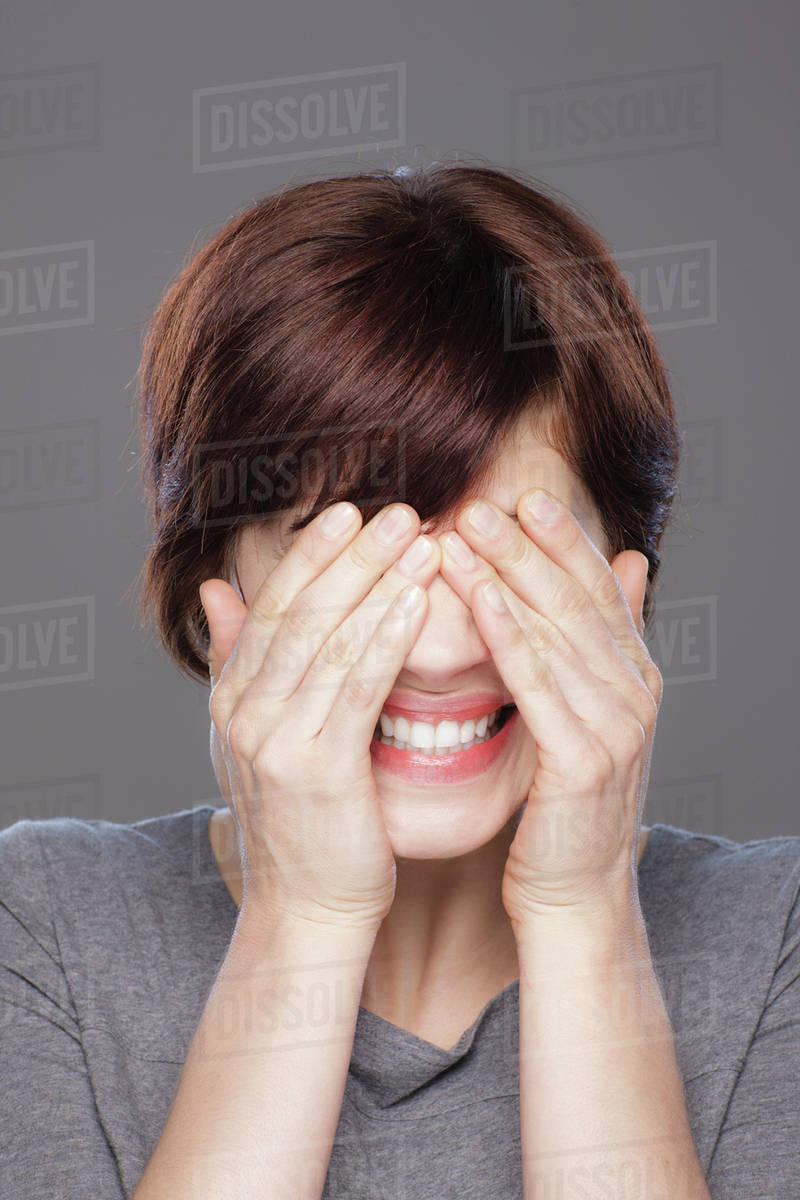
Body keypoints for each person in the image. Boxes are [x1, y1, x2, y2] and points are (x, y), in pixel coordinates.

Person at [1, 161, 798, 1199]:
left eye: (509, 551)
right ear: (217, 584)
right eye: (357, 559)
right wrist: (305, 918)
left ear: (620, 587)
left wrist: (581, 909)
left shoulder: (771, 935)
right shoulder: (44, 926)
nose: (435, 652)